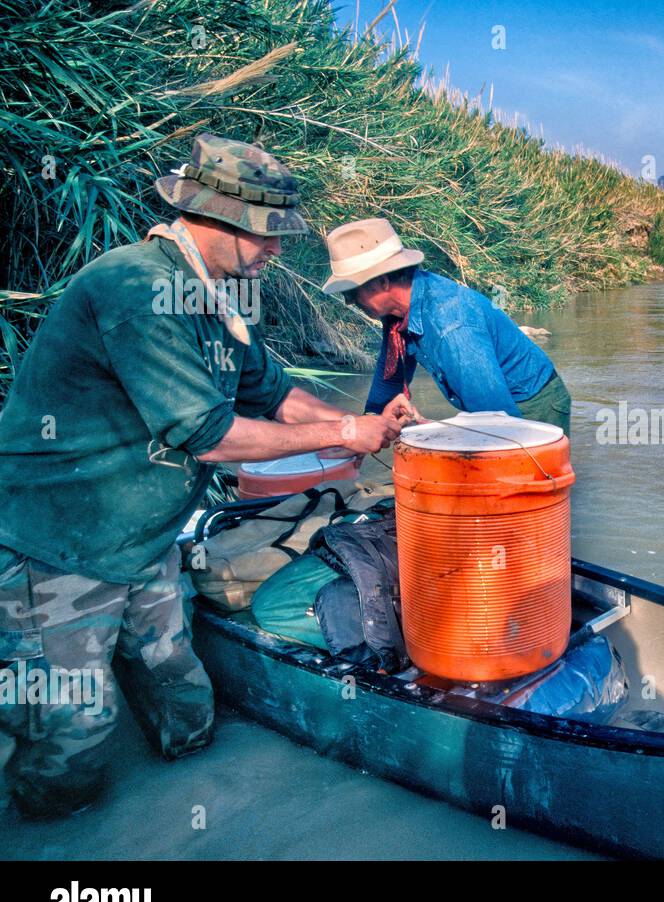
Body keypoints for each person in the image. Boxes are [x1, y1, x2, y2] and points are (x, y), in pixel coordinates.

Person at [0, 133, 410, 818]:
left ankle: (186, 810)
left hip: (146, 538)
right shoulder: (137, 287)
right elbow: (209, 435)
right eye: (269, 234)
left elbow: (275, 395)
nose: (279, 250)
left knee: (186, 706)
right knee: (73, 741)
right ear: (217, 216)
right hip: (60, 543)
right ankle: (51, 832)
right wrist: (344, 433)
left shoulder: (218, 300)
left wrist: (376, 427)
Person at [322, 218, 571, 435]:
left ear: (383, 282)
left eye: (352, 292)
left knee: (527, 481)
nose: (348, 301)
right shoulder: (398, 313)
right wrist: (371, 420)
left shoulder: (452, 327)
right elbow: (391, 374)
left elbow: (499, 422)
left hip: (532, 404)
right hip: (497, 405)